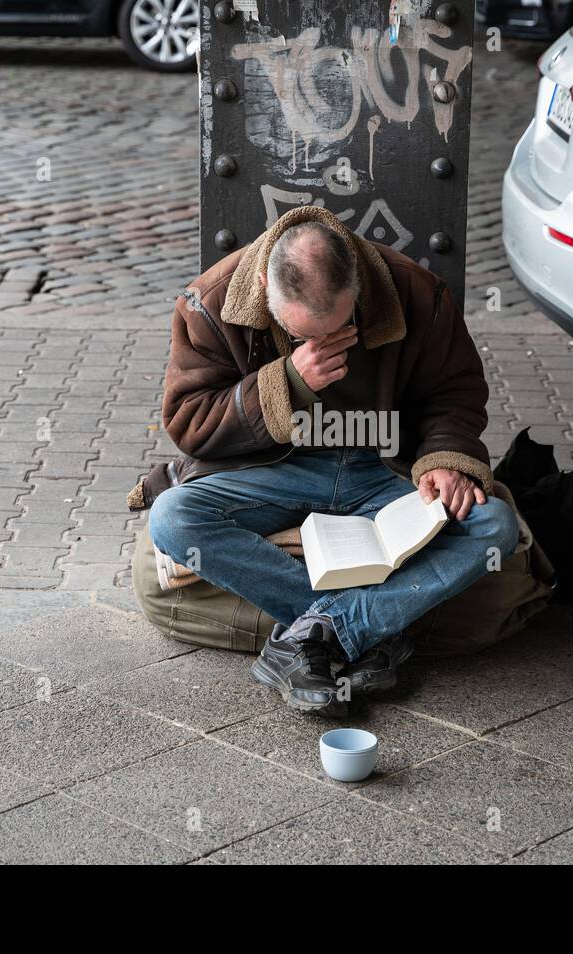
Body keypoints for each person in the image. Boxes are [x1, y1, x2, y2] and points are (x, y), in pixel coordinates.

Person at [148, 205, 518, 713]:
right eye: (302, 334)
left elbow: (454, 393)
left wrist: (444, 457)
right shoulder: (209, 302)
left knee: (494, 524)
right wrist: (288, 381)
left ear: (358, 290)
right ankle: (368, 631)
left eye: (338, 328)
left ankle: (308, 637)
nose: (322, 345)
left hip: (383, 469)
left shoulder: (417, 292)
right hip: (275, 469)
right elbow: (190, 422)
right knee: (173, 518)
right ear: (262, 285)